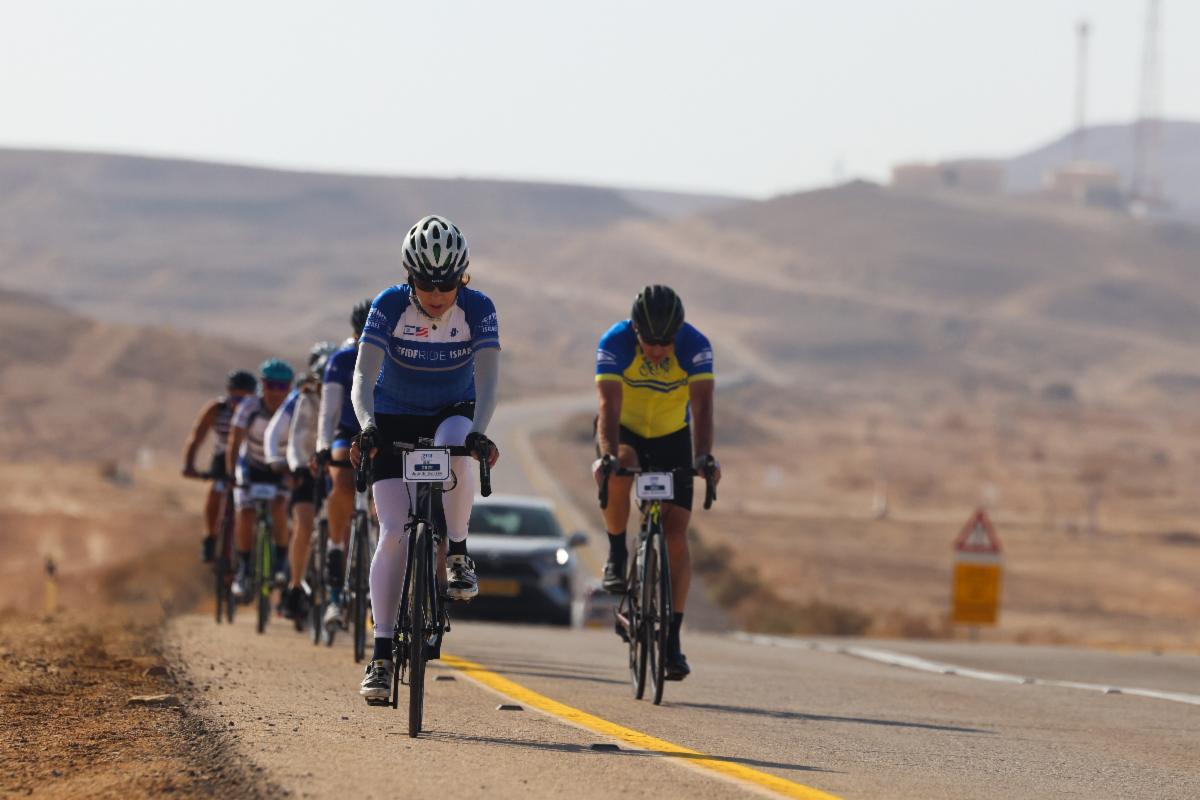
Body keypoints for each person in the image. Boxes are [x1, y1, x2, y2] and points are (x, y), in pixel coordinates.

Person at [351, 214, 500, 703]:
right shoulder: (390, 305)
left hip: (452, 411)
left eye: (448, 284)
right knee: (393, 531)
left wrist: (479, 434)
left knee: (458, 446)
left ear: (464, 278)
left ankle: (457, 552)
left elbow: (491, 381)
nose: (437, 295)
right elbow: (362, 378)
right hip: (392, 414)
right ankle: (382, 653)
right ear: (408, 277)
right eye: (425, 283)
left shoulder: (478, 309)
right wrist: (367, 426)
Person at [593, 285, 721, 681]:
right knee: (619, 469)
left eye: (665, 343)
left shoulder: (694, 345)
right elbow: (608, 408)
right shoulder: (614, 342)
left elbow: (701, 408)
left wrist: (702, 458)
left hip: (672, 438)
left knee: (676, 532)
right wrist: (608, 456)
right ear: (635, 331)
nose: (657, 351)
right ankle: (616, 554)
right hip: (625, 432)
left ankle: (672, 642)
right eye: (650, 342)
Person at [267, 343, 336, 621]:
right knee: (304, 525)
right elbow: (294, 440)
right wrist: (296, 468)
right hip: (308, 469)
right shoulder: (306, 399)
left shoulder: (351, 393)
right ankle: (296, 586)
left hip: (337, 469)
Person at [314, 303, 370, 632]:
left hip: (378, 432)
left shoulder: (390, 352)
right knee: (341, 487)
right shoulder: (341, 360)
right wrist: (323, 447)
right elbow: (328, 410)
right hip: (345, 433)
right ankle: (336, 548)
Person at [229, 359, 296, 602]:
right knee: (245, 513)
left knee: (279, 506)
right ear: (262, 385)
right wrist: (230, 473)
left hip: (281, 468)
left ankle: (280, 564)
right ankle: (244, 569)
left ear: (289, 388)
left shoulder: (293, 408)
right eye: (271, 385)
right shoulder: (249, 406)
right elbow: (234, 441)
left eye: (282, 386)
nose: (276, 392)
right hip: (251, 467)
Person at [182, 370, 257, 562]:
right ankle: (210, 537)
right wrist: (189, 464)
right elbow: (197, 437)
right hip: (221, 456)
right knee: (215, 490)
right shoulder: (216, 409)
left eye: (244, 398)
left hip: (249, 457)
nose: (238, 403)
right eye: (234, 396)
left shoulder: (256, 411)